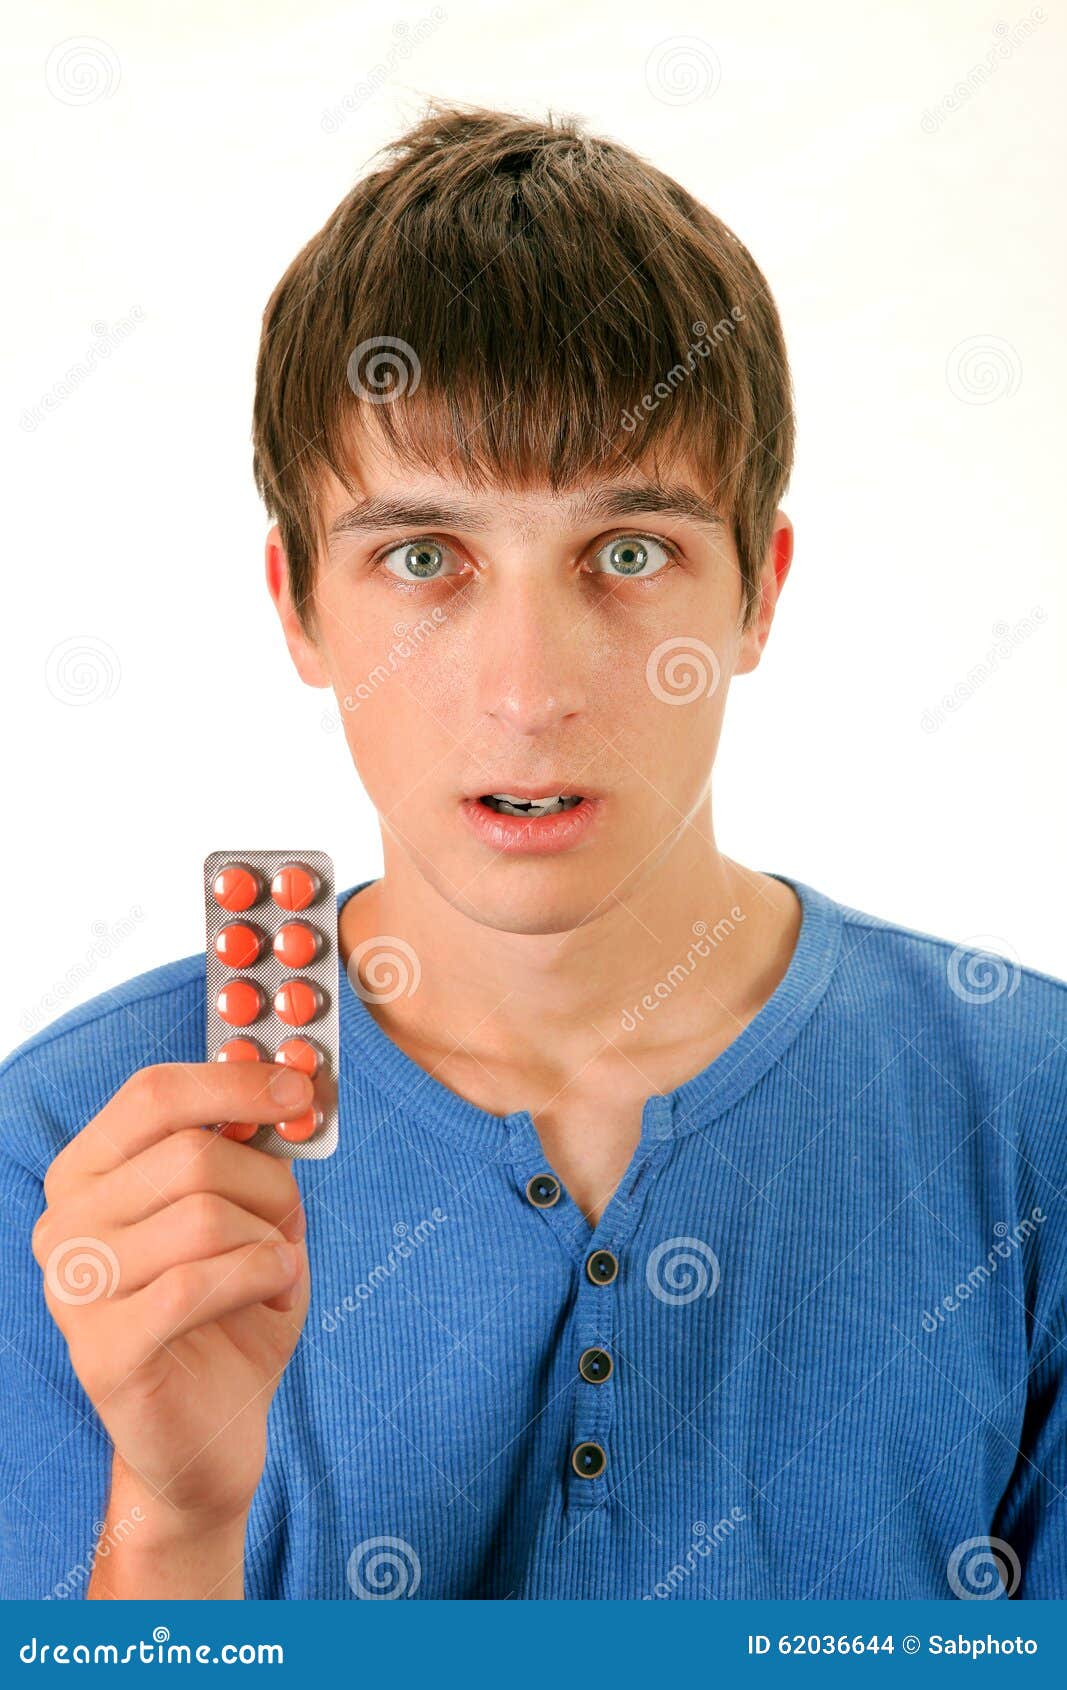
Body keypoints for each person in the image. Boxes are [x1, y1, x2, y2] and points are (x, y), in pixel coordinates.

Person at [0, 101, 1064, 1603]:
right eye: (422, 559)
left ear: (757, 591)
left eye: (628, 553)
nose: (526, 688)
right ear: (297, 607)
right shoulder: (62, 1160)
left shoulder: (1040, 1122)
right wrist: (172, 1525)